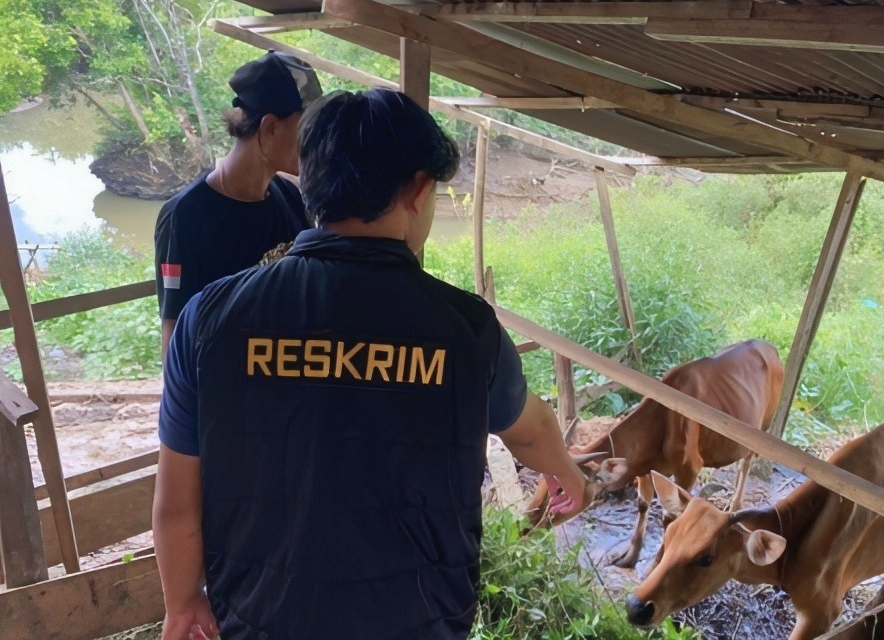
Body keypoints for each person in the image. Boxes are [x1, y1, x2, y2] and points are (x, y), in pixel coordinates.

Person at [153, 88, 591, 640]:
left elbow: (175, 503)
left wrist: (183, 600)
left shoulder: (208, 319)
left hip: (262, 620)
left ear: (308, 182)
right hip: (420, 622)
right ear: (418, 190)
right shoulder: (465, 328)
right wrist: (568, 473)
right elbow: (531, 432)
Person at [154, 51, 322, 358]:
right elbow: (175, 332)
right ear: (270, 128)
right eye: (307, 129)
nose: (314, 142)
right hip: (227, 389)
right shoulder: (186, 216)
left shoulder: (292, 197)